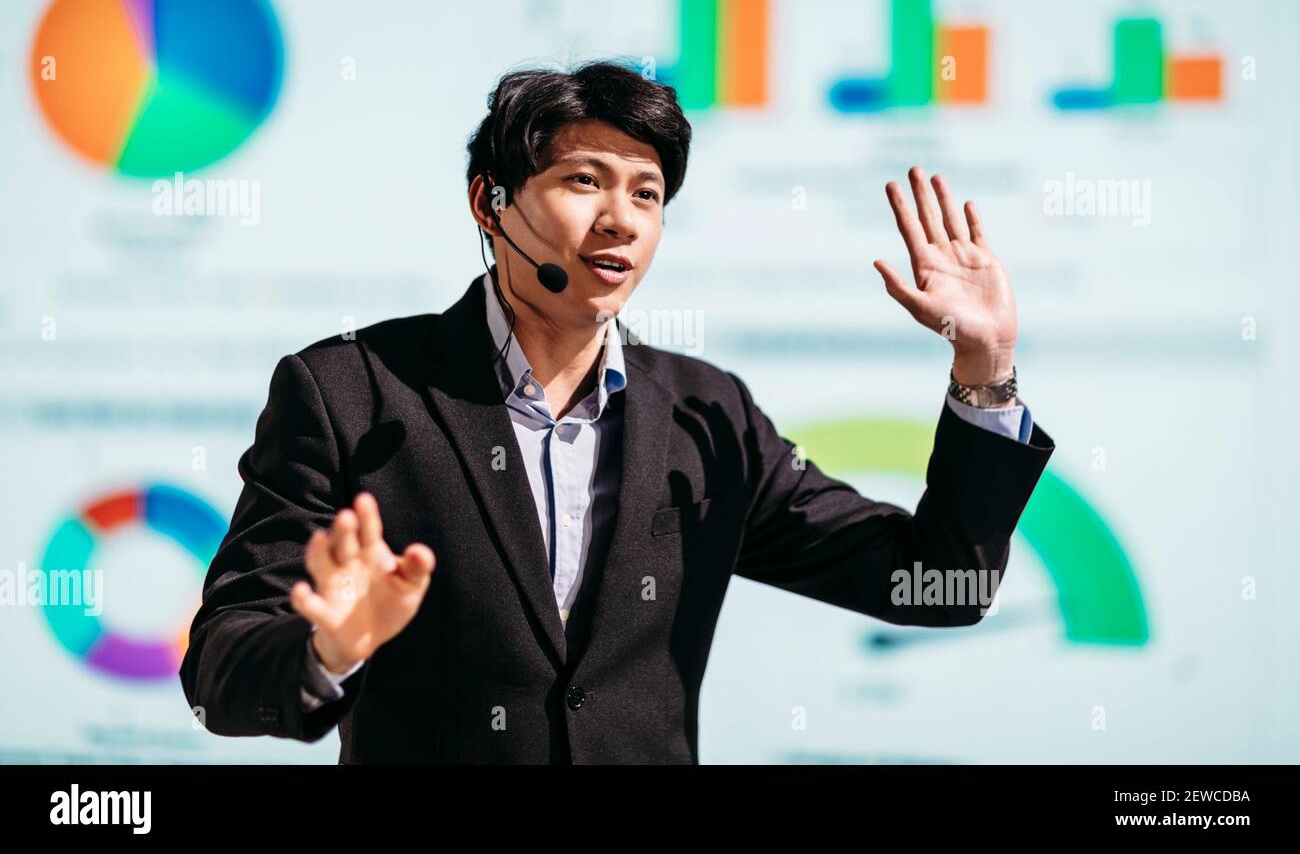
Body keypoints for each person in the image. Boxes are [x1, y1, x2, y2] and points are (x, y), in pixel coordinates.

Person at [179, 60, 1054, 763]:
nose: (621, 221)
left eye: (646, 193)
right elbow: (222, 666)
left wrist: (985, 368)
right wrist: (330, 649)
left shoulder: (708, 416)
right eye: (583, 181)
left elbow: (940, 586)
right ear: (491, 201)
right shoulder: (351, 391)